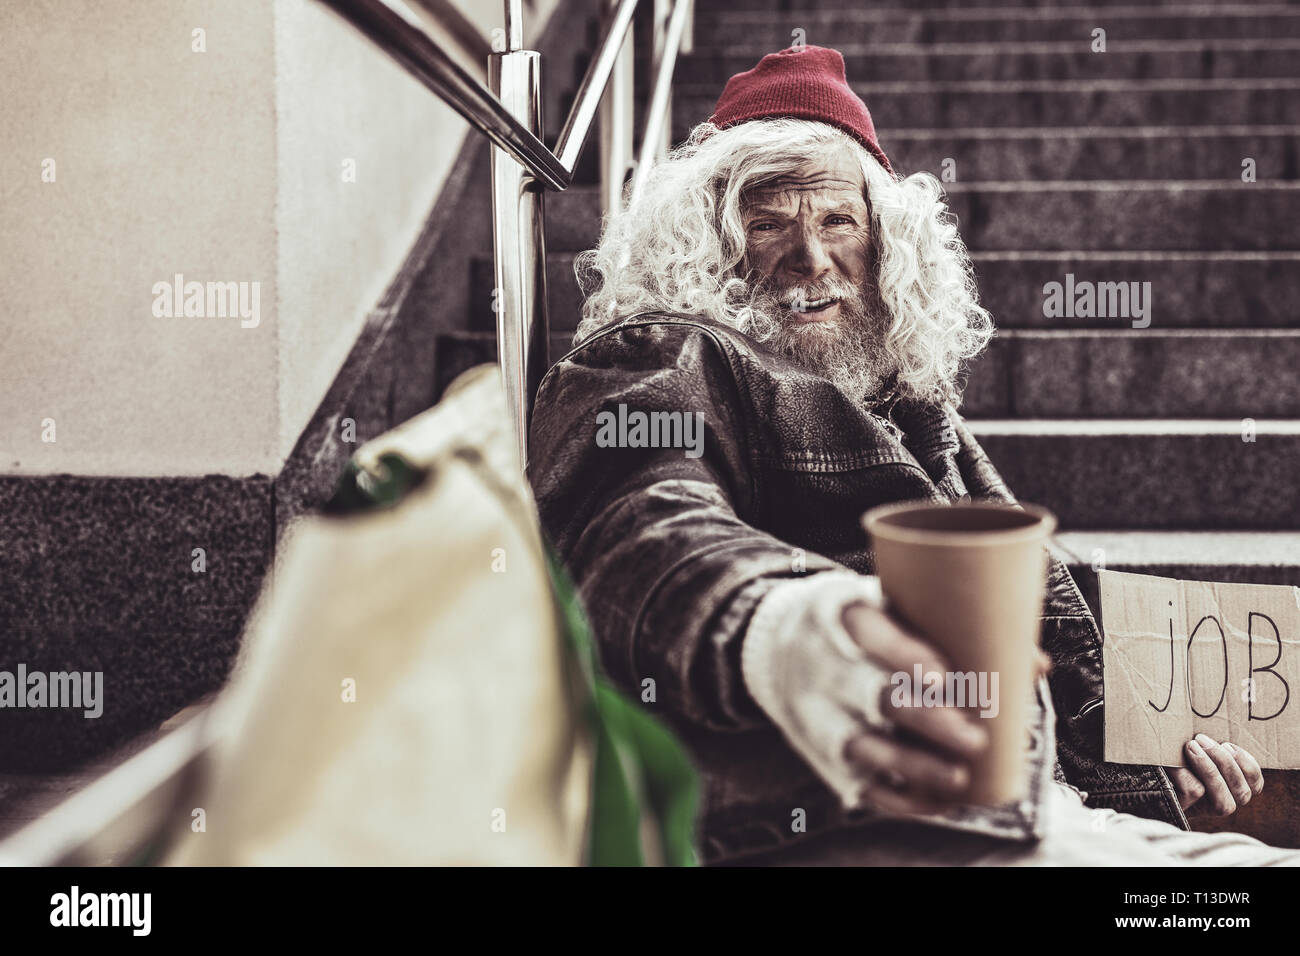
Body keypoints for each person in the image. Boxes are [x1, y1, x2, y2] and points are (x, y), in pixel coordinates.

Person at [528, 45, 1296, 865]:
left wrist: (1152, 755)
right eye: (766, 223)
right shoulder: (663, 353)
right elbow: (635, 523)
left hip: (1033, 812)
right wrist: (787, 630)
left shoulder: (904, 398)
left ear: (885, 238)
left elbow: (1040, 624)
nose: (812, 260)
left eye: (836, 220)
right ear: (709, 242)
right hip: (869, 824)